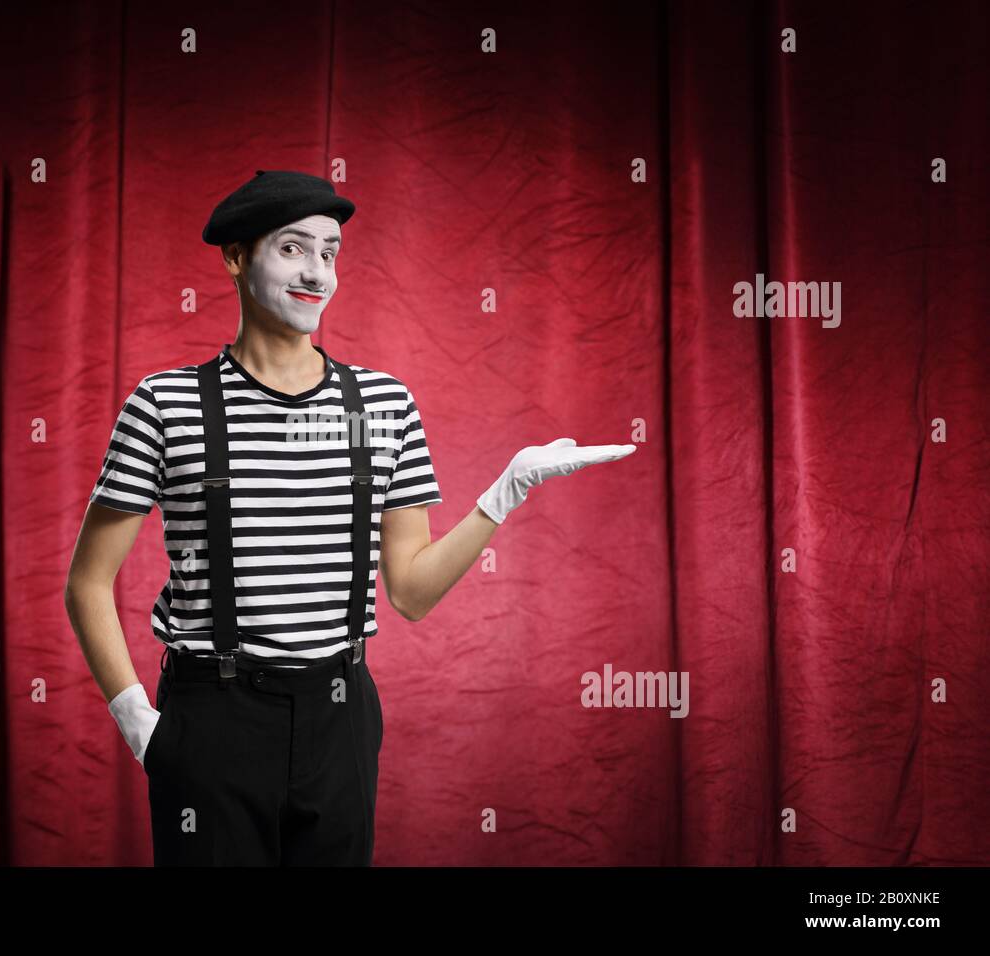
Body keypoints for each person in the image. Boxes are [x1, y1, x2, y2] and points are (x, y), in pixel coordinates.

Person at [64, 169, 636, 866]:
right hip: (211, 718)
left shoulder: (381, 407)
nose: (317, 273)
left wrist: (504, 492)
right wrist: (140, 725)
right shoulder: (166, 404)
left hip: (341, 716)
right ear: (237, 257)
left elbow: (411, 594)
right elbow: (88, 583)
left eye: (330, 253)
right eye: (293, 249)